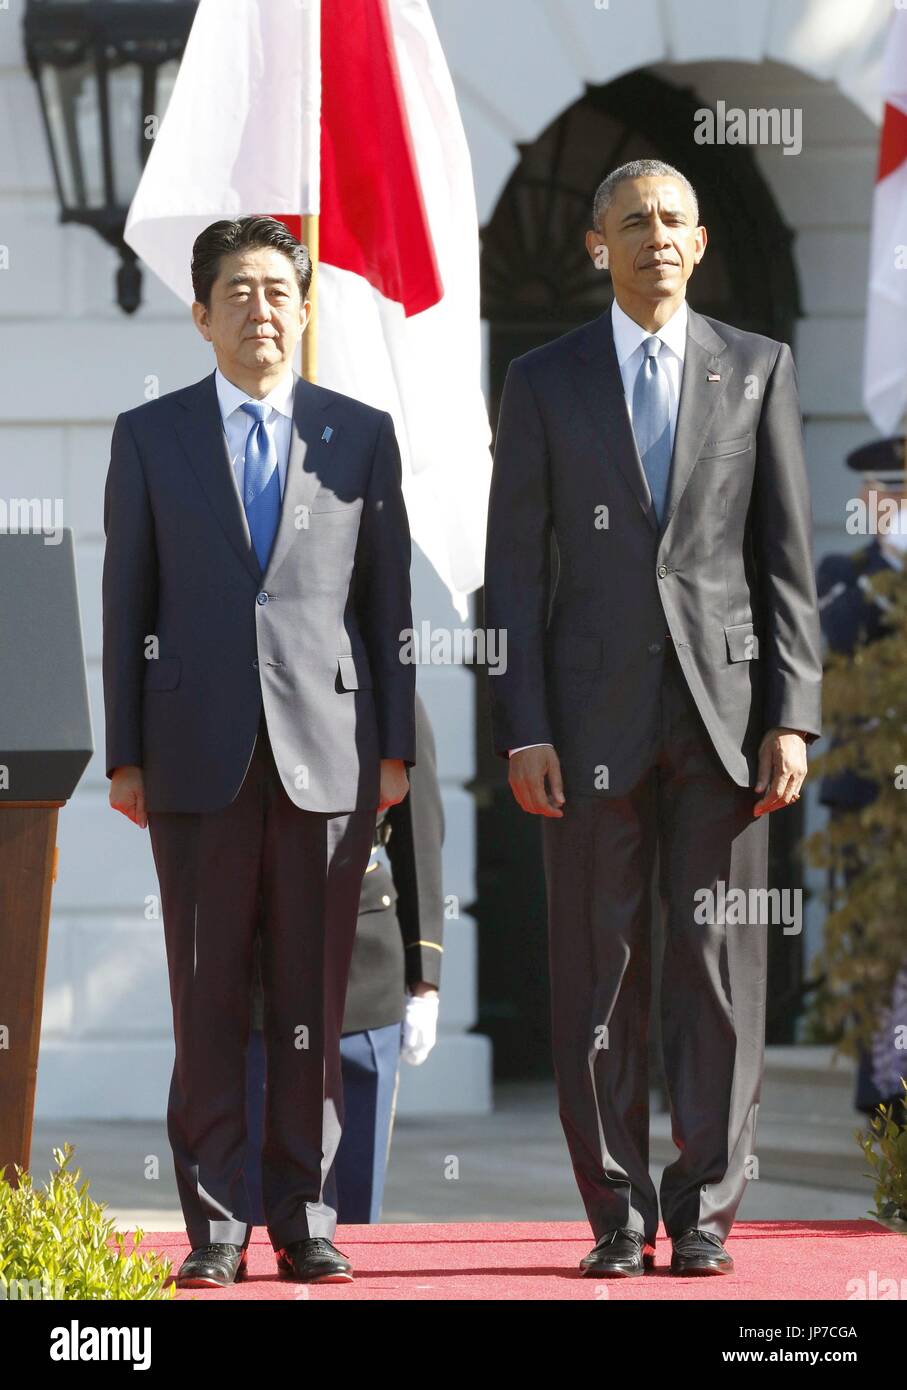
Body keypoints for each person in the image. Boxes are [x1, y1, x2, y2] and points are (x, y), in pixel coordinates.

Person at [484, 160, 822, 1278]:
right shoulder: (542, 381)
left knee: (716, 973)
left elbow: (783, 561)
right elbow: (513, 571)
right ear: (597, 247)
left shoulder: (757, 369)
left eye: (673, 219)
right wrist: (522, 724)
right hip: (583, 730)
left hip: (726, 722)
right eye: (632, 221)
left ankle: (708, 1209)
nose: (655, 236)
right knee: (599, 970)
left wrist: (794, 715)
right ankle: (619, 1212)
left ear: (702, 240)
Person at [102, 215, 414, 1287]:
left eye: (279, 288)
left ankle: (306, 1214)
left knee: (310, 1005)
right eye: (236, 290)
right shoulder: (151, 437)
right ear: (201, 314)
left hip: (330, 757)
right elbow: (125, 601)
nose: (260, 308)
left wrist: (394, 753)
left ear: (305, 306)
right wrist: (125, 754)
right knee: (208, 998)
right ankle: (217, 1226)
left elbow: (386, 607)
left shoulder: (358, 433)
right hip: (194, 758)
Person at [244, 691, 445, 1224]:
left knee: (356, 1210)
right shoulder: (244, 676)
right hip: (261, 968)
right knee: (258, 1206)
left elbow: (418, 839)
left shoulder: (388, 691)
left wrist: (425, 980)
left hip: (365, 965)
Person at [817, 436, 907, 1127]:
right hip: (867, 804)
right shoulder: (840, 572)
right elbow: (835, 640)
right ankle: (883, 1097)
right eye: (886, 495)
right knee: (875, 952)